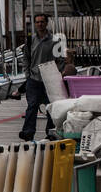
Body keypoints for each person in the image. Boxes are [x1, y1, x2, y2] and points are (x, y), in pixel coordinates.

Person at [11, 13, 63, 141]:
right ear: (35, 24)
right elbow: (26, 58)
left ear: (47, 23)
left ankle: (51, 133)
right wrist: (27, 74)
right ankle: (28, 132)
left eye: (42, 22)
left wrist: (58, 74)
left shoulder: (55, 40)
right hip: (34, 79)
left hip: (50, 80)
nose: (40, 24)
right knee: (32, 106)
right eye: (37, 22)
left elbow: (60, 60)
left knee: (51, 107)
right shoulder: (30, 40)